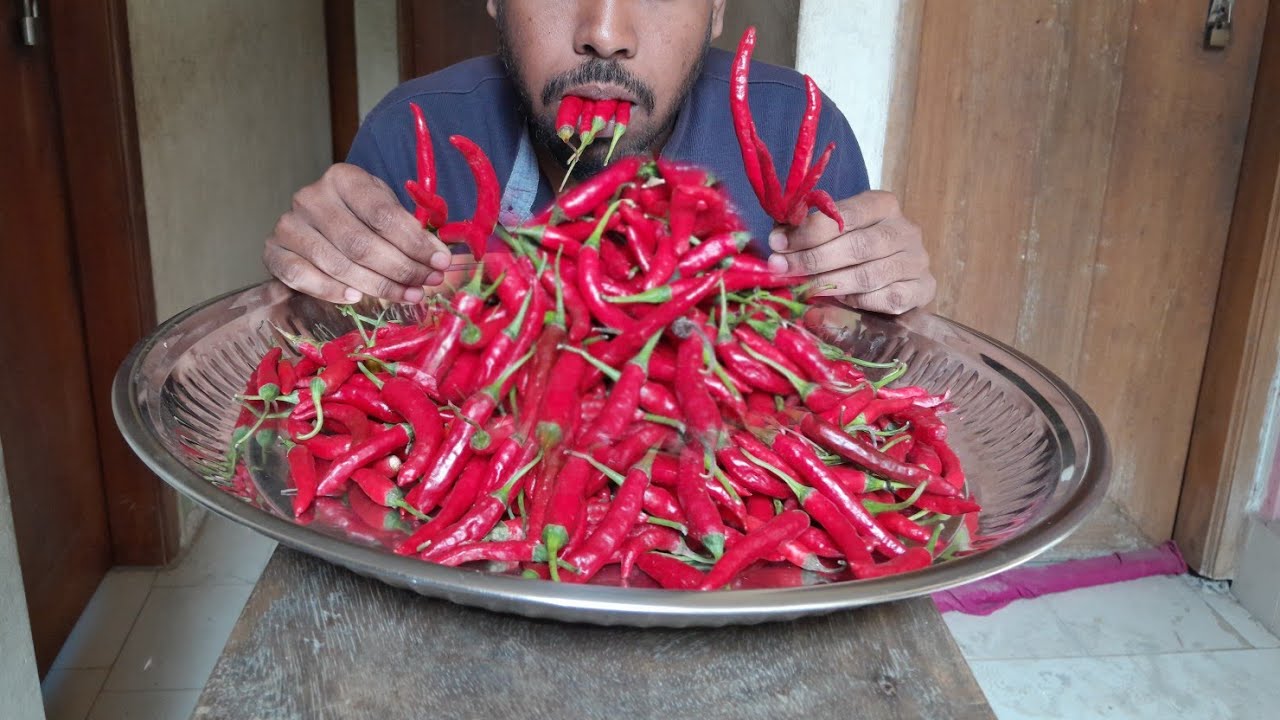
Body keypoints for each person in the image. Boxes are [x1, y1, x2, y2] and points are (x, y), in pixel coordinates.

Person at [263, 0, 935, 315]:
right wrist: (319, 274)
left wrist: (888, 289)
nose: (605, 34)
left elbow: (852, 374)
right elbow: (343, 372)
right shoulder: (413, 134)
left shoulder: (794, 134)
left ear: (717, 8)